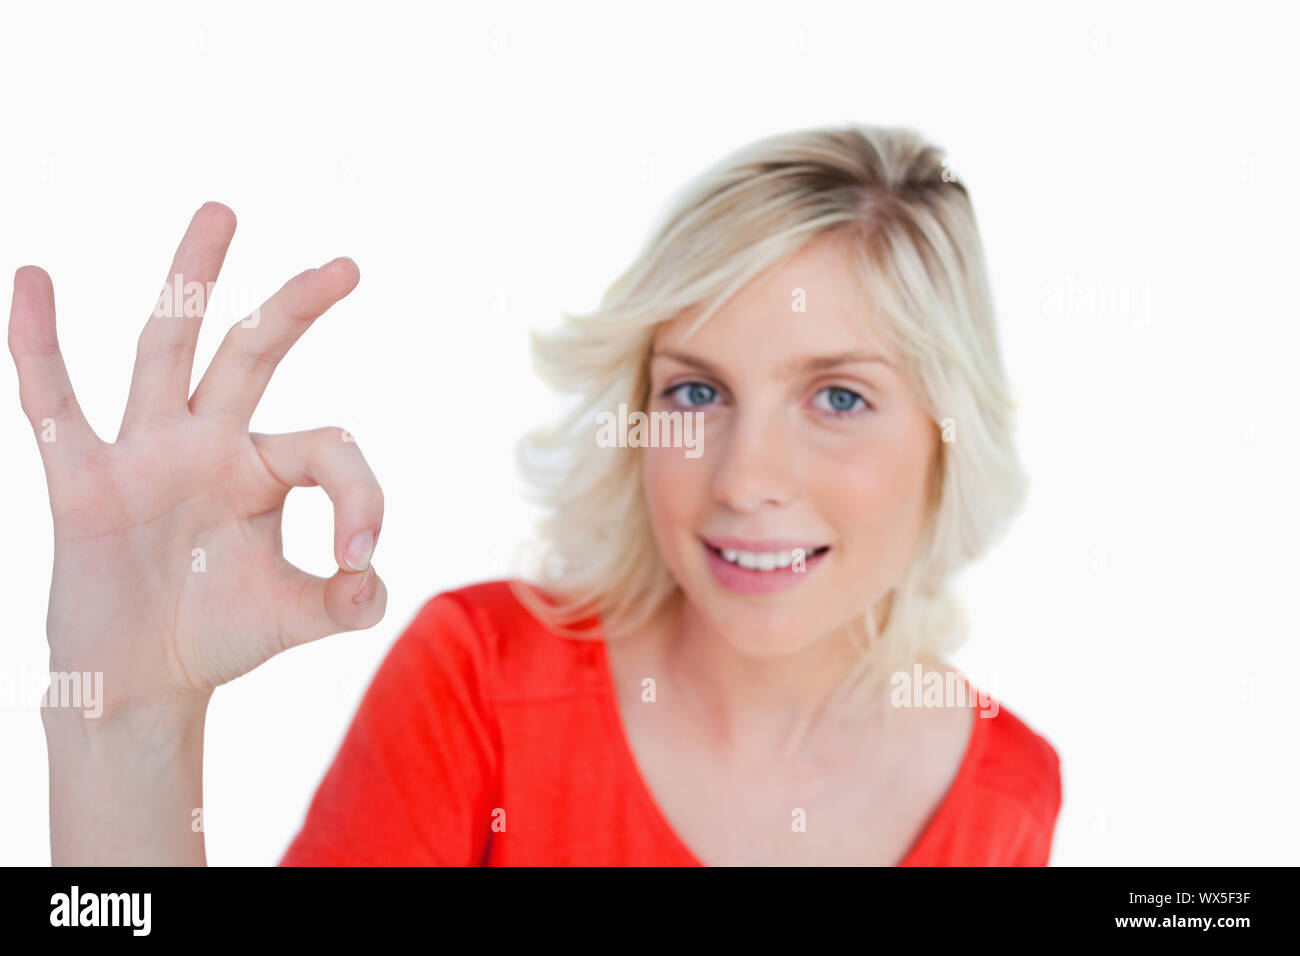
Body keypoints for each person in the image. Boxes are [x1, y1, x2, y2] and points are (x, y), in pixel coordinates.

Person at [11, 124, 1060, 866]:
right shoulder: (481, 683)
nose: (744, 478)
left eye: (838, 395)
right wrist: (130, 723)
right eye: (694, 390)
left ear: (945, 435)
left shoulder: (1007, 794)